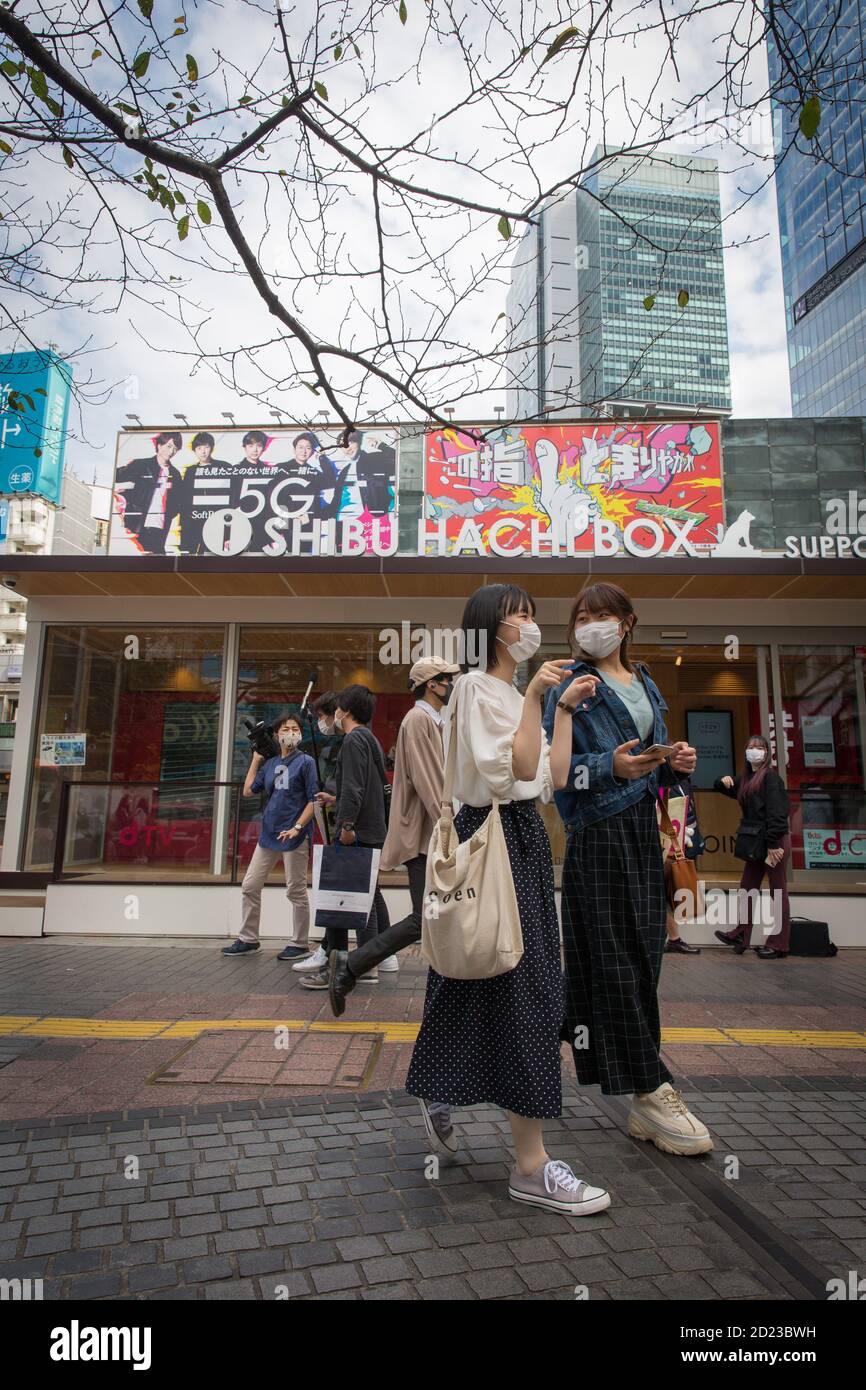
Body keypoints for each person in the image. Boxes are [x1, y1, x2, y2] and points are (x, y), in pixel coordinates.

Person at [404, 583, 611, 1214]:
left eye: (529, 613)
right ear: (487, 629)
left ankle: (440, 1086)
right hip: (491, 835)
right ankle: (531, 1165)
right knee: (518, 982)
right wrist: (536, 696)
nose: (527, 623)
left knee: (482, 975)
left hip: (516, 838)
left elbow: (549, 777)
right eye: (515, 615)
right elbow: (515, 771)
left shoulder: (514, 695)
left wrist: (564, 710)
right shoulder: (471, 688)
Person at [544, 582, 712, 1157]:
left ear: (627, 622)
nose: (591, 624)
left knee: (644, 956)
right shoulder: (568, 687)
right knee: (613, 958)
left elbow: (653, 764)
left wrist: (676, 762)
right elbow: (558, 776)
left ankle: (639, 1086)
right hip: (598, 834)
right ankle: (651, 1084)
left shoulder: (646, 682)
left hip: (645, 832)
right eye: (581, 615)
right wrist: (609, 766)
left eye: (602, 615)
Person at [328, 656, 459, 1016]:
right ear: (431, 684)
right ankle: (351, 965)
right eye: (448, 679)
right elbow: (429, 781)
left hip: (434, 832)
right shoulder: (418, 720)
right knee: (425, 917)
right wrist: (452, 827)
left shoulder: (434, 719)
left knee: (440, 916)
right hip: (428, 835)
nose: (452, 685)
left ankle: (355, 966)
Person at [297, 685, 391, 988]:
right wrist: (338, 801)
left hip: (357, 831)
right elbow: (367, 786)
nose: (333, 715)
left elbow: (353, 788)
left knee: (338, 898)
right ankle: (368, 964)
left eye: (337, 709)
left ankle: (339, 966)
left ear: (345, 711)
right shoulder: (370, 738)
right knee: (366, 899)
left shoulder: (353, 740)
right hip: (373, 828)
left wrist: (347, 825)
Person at [222, 714, 317, 960]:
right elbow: (247, 790)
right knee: (250, 885)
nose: (291, 732)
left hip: (293, 836)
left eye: (295, 728)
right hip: (269, 834)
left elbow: (313, 799)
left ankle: (299, 943)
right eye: (286, 728)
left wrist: (298, 826)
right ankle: (248, 938)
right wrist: (256, 760)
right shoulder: (271, 763)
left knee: (295, 891)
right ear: (277, 734)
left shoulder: (306, 762)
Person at [713, 734, 792, 958]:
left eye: (759, 748)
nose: (754, 751)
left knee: (778, 892)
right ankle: (741, 933)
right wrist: (722, 780)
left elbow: (778, 813)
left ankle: (779, 943)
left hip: (773, 843)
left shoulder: (771, 779)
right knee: (747, 888)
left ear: (767, 753)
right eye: (750, 747)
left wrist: (774, 844)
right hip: (757, 843)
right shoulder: (747, 780)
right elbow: (722, 786)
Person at [114, 431, 184, 554]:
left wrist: (169, 515)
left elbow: (177, 502)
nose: (171, 451)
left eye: (175, 448)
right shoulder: (142, 465)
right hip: (137, 525)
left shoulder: (175, 474)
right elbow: (116, 476)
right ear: (159, 446)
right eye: (169, 446)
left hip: (160, 526)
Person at [661, 776, 704, 956]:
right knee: (663, 892)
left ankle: (666, 937)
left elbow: (689, 809)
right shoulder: (659, 780)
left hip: (685, 840)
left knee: (672, 890)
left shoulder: (684, 781)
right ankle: (674, 938)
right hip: (665, 843)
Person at [178, 431, 233, 555]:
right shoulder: (190, 471)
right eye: (199, 448)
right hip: (194, 520)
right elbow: (185, 497)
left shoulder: (223, 467)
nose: (203, 451)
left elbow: (231, 494)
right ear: (195, 450)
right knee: (190, 554)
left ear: (212, 448)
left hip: (216, 520)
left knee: (213, 553)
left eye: (206, 447)